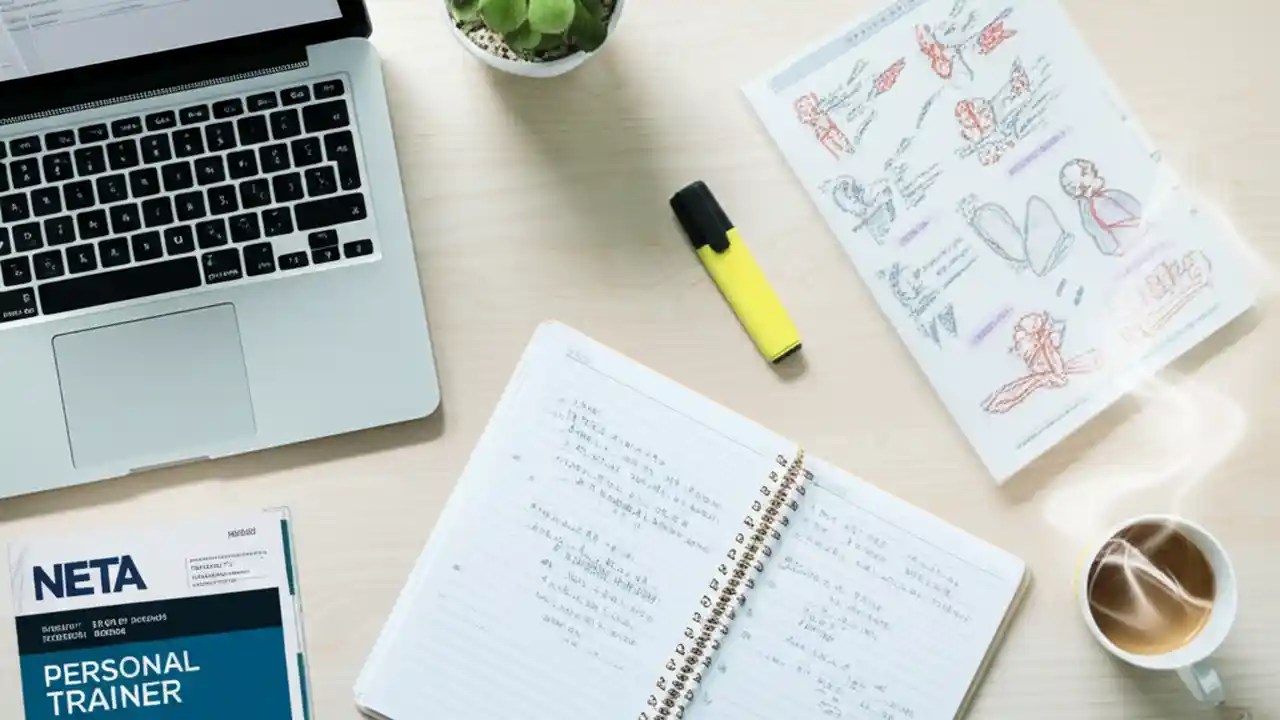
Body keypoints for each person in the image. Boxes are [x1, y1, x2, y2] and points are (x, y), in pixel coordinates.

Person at [1059, 158, 1145, 256]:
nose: (1094, 171)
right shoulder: (1089, 208)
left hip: (1138, 230)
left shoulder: (1107, 195)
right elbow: (1098, 231)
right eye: (1086, 172)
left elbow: (1131, 205)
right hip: (1127, 242)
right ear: (1079, 186)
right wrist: (1115, 249)